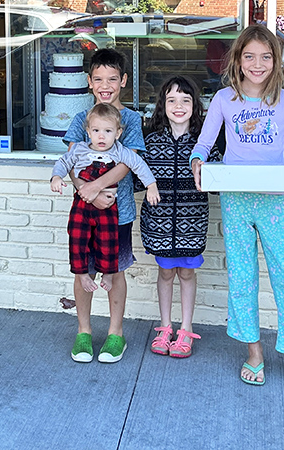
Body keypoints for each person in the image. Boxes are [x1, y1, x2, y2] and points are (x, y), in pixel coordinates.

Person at [190, 24, 284, 391]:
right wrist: (197, 162)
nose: (257, 64)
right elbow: (202, 145)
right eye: (249, 56)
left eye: (266, 56)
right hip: (235, 200)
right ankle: (253, 352)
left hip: (273, 201)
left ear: (275, 61)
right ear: (237, 60)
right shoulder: (223, 100)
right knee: (243, 278)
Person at [62, 48, 144, 364]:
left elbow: (128, 163)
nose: (105, 85)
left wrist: (97, 186)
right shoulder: (82, 119)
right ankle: (83, 331)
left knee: (115, 269)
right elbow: (72, 161)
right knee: (83, 269)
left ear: (123, 80)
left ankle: (115, 333)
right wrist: (87, 190)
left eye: (112, 78)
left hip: (118, 211)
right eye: (98, 79)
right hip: (84, 213)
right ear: (89, 81)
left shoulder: (132, 119)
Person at [51, 103, 159, 296]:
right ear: (88, 131)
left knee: (109, 242)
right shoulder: (80, 149)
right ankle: (82, 273)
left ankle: (108, 274)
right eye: (96, 130)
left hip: (109, 206)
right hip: (83, 205)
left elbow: (138, 165)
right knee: (77, 239)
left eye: (108, 131)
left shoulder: (119, 151)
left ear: (118, 133)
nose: (102, 136)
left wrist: (151, 185)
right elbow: (64, 162)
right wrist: (57, 177)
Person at [140, 76, 210, 358]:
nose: (178, 106)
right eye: (171, 100)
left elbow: (216, 180)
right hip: (158, 224)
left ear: (195, 105)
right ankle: (165, 326)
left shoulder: (204, 143)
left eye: (185, 100)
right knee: (166, 272)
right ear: (162, 105)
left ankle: (185, 328)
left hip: (192, 223)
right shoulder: (151, 141)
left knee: (187, 272)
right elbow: (137, 177)